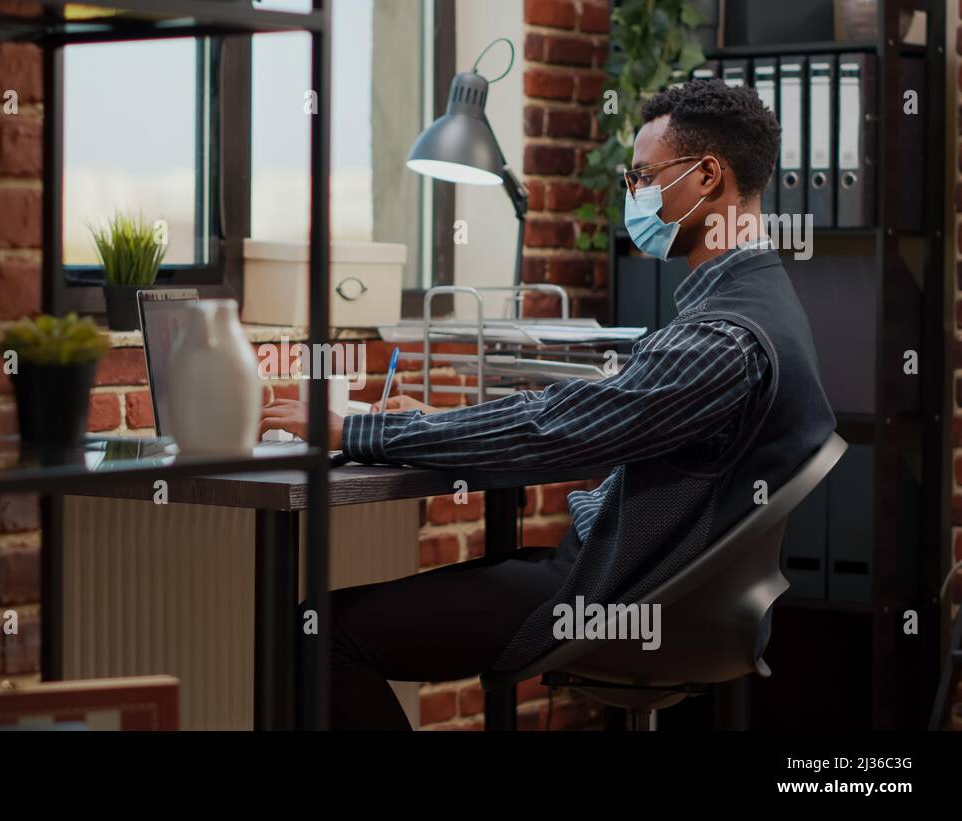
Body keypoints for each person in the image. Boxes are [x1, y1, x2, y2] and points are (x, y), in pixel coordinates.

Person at [259, 79, 835, 730]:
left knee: (312, 633)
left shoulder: (722, 338)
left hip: (612, 592)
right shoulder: (761, 303)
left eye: (643, 177)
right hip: (649, 585)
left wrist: (357, 430)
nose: (633, 196)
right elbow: (590, 411)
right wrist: (435, 422)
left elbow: (555, 428)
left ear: (706, 178)